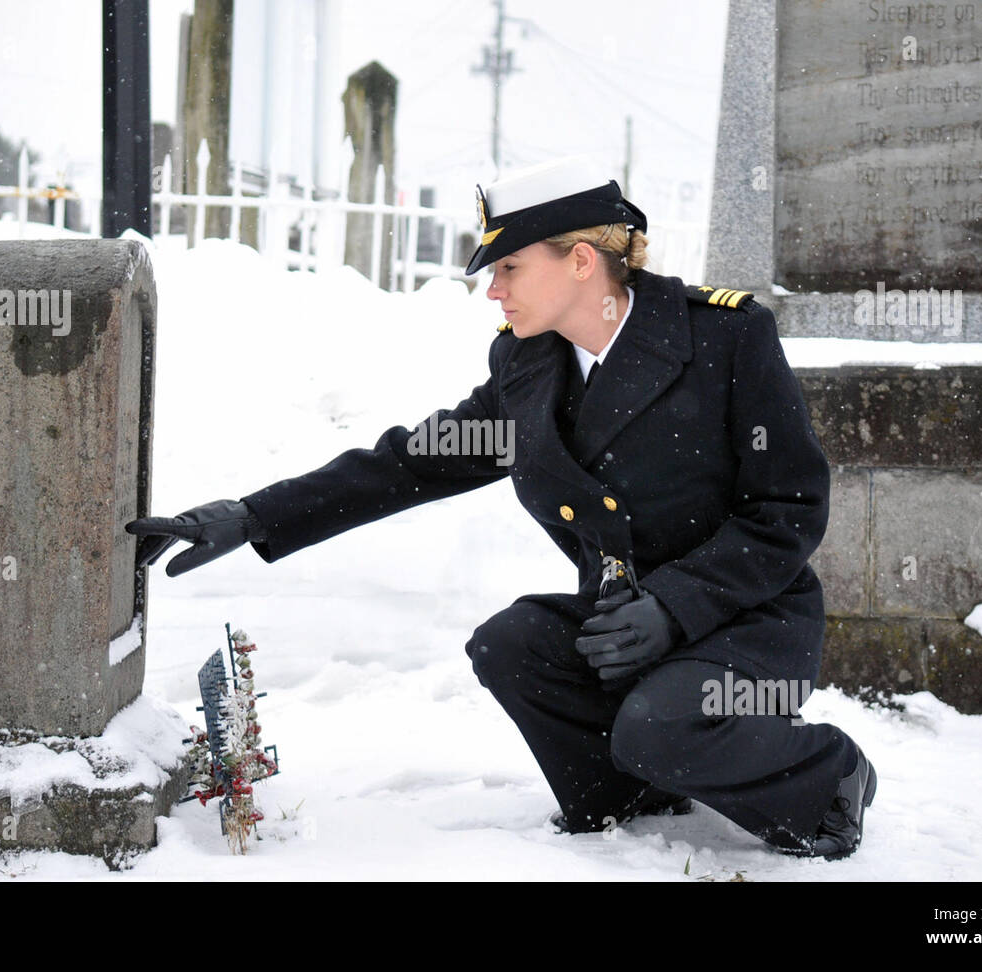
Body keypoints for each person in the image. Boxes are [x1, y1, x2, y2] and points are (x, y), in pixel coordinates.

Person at [126, 156, 877, 860]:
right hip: (623, 626)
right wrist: (255, 516)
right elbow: (415, 461)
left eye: (511, 267)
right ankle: (630, 796)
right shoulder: (529, 364)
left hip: (746, 623)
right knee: (511, 644)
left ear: (582, 260)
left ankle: (828, 780)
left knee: (663, 723)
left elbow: (789, 510)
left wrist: (676, 606)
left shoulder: (724, 336)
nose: (493, 289)